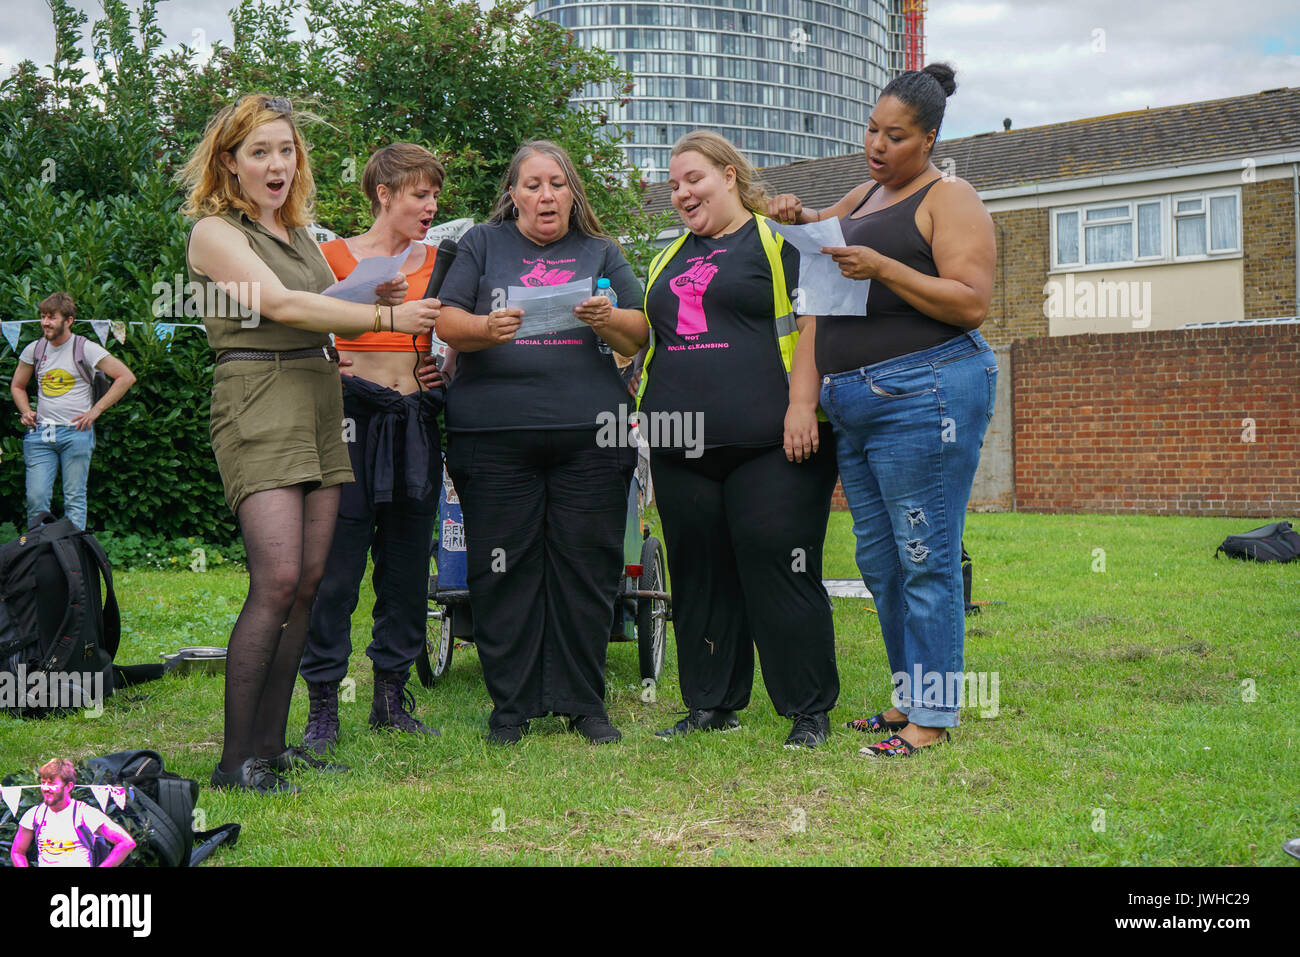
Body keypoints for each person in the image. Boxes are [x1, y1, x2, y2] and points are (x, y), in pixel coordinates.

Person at [180, 94, 437, 793]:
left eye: (286, 150)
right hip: (259, 399)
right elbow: (285, 306)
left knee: (310, 585)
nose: (276, 164)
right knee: (278, 581)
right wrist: (384, 308)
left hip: (322, 397)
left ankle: (272, 745)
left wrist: (357, 306)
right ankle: (236, 761)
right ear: (228, 161)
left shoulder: (297, 234)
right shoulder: (214, 233)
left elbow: (323, 312)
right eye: (259, 151)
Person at [768, 63, 997, 758]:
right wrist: (799, 218)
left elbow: (971, 301)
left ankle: (932, 715)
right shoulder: (865, 191)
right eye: (872, 128)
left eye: (895, 136)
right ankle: (908, 697)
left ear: (928, 138)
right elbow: (828, 244)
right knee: (880, 559)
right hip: (854, 400)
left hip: (926, 390)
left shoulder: (950, 198)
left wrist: (886, 268)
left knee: (925, 553)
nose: (877, 145)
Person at [435, 140, 647, 745]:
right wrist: (485, 327)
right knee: (504, 567)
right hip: (494, 433)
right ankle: (512, 706)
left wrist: (607, 319)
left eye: (556, 183)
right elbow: (445, 319)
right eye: (532, 184)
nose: (545, 195)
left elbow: (641, 327)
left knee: (588, 564)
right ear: (513, 194)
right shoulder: (481, 243)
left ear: (572, 191)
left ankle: (585, 704)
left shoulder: (601, 250)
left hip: (592, 434)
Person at [640, 130, 840, 748]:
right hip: (681, 448)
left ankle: (807, 710)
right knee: (699, 575)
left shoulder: (779, 244)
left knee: (778, 562)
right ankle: (710, 703)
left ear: (730, 174)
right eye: (674, 185)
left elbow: (814, 325)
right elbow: (655, 342)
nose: (682, 193)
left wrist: (803, 406)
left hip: (774, 445)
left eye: (693, 178)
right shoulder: (665, 257)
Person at [299, 143, 447, 750]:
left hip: (414, 419)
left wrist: (446, 370)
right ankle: (323, 707)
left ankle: (391, 698)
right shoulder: (329, 255)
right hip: (349, 420)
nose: (431, 205)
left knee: (408, 567)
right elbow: (298, 322)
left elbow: (458, 331)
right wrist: (321, 365)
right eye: (420, 194)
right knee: (336, 569)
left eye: (436, 195)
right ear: (383, 195)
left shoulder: (442, 259)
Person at [10, 292, 136, 530]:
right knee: (36, 499)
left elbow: (126, 377)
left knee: (75, 500)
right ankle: (40, 558)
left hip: (76, 433)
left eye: (52, 317)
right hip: (40, 434)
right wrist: (26, 411)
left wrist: (95, 410)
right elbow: (17, 386)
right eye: (43, 316)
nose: (45, 322)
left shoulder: (85, 348)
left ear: (68, 321)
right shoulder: (34, 349)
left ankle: (74, 560)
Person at [10, 758, 136, 867]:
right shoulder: (34, 815)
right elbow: (17, 852)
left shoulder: (85, 813)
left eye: (52, 783)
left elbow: (126, 842)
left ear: (69, 786)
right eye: (43, 783)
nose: (45, 788)